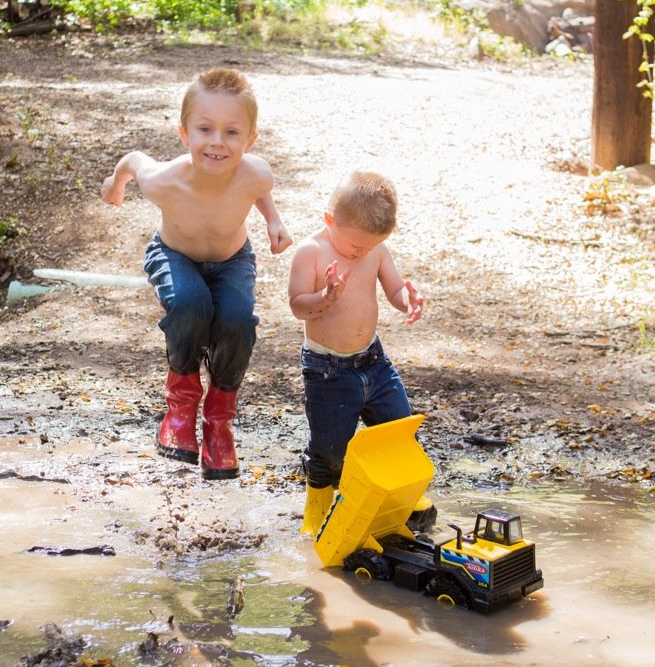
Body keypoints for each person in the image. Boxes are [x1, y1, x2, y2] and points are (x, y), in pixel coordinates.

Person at [101, 67, 292, 480]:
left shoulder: (257, 172)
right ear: (184, 133)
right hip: (174, 254)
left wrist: (273, 221)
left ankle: (219, 422)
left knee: (237, 321)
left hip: (232, 259)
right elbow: (134, 160)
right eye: (205, 129)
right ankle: (181, 408)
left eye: (232, 132)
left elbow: (259, 190)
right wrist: (115, 185)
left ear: (250, 139)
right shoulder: (163, 180)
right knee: (190, 304)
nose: (217, 143)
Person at [287, 170, 424, 534]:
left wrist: (406, 299)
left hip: (373, 362)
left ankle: (396, 497)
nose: (362, 253)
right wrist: (326, 296)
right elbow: (298, 305)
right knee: (330, 448)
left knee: (397, 428)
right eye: (355, 248)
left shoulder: (374, 249)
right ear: (329, 220)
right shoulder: (311, 253)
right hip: (328, 370)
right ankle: (318, 504)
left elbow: (393, 289)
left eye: (369, 247)